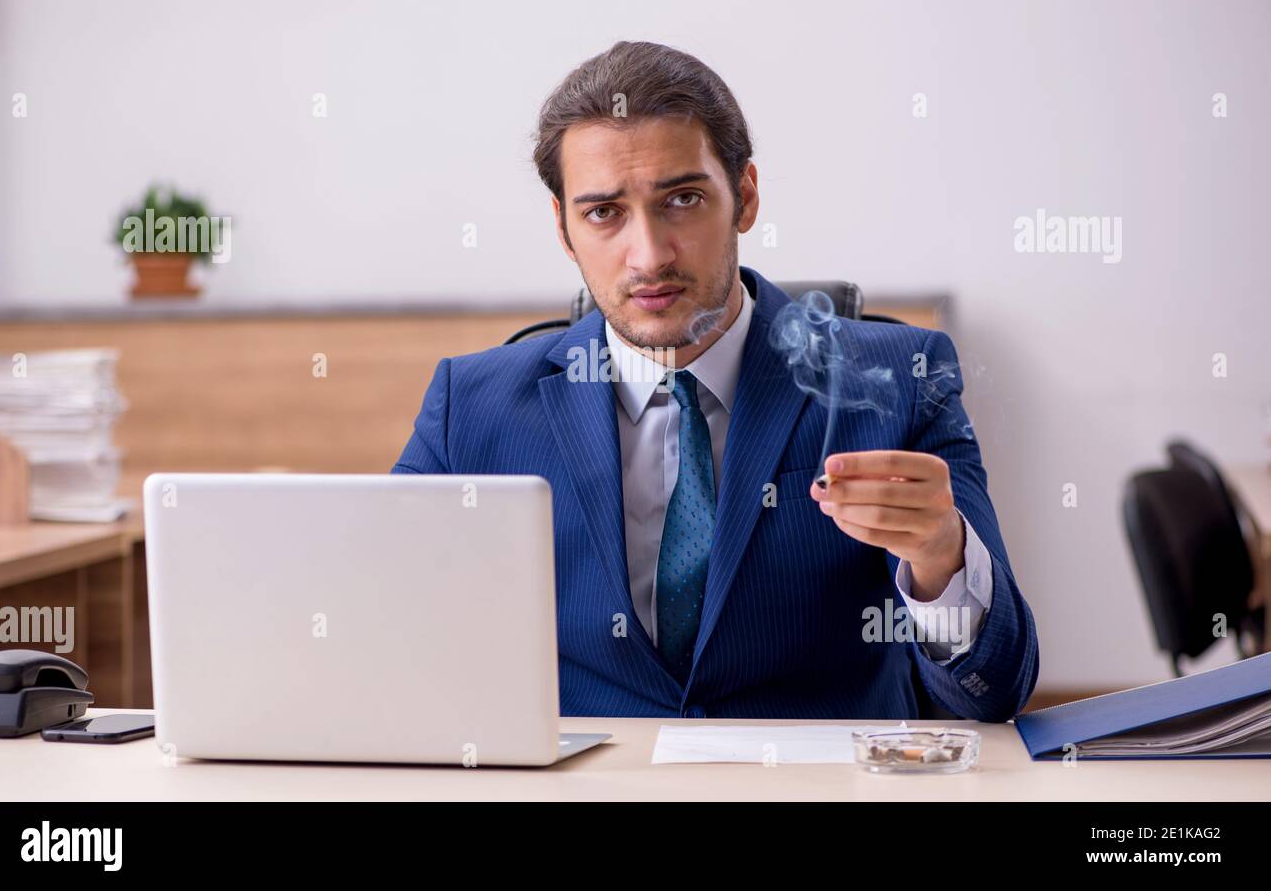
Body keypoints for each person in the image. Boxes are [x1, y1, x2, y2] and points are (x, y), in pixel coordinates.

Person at [393, 40, 1038, 720]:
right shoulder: (469, 410)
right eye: (603, 213)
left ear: (745, 197)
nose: (648, 255)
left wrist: (941, 558)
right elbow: (379, 629)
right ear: (563, 228)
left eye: (682, 199)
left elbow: (993, 692)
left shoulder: (900, 382)